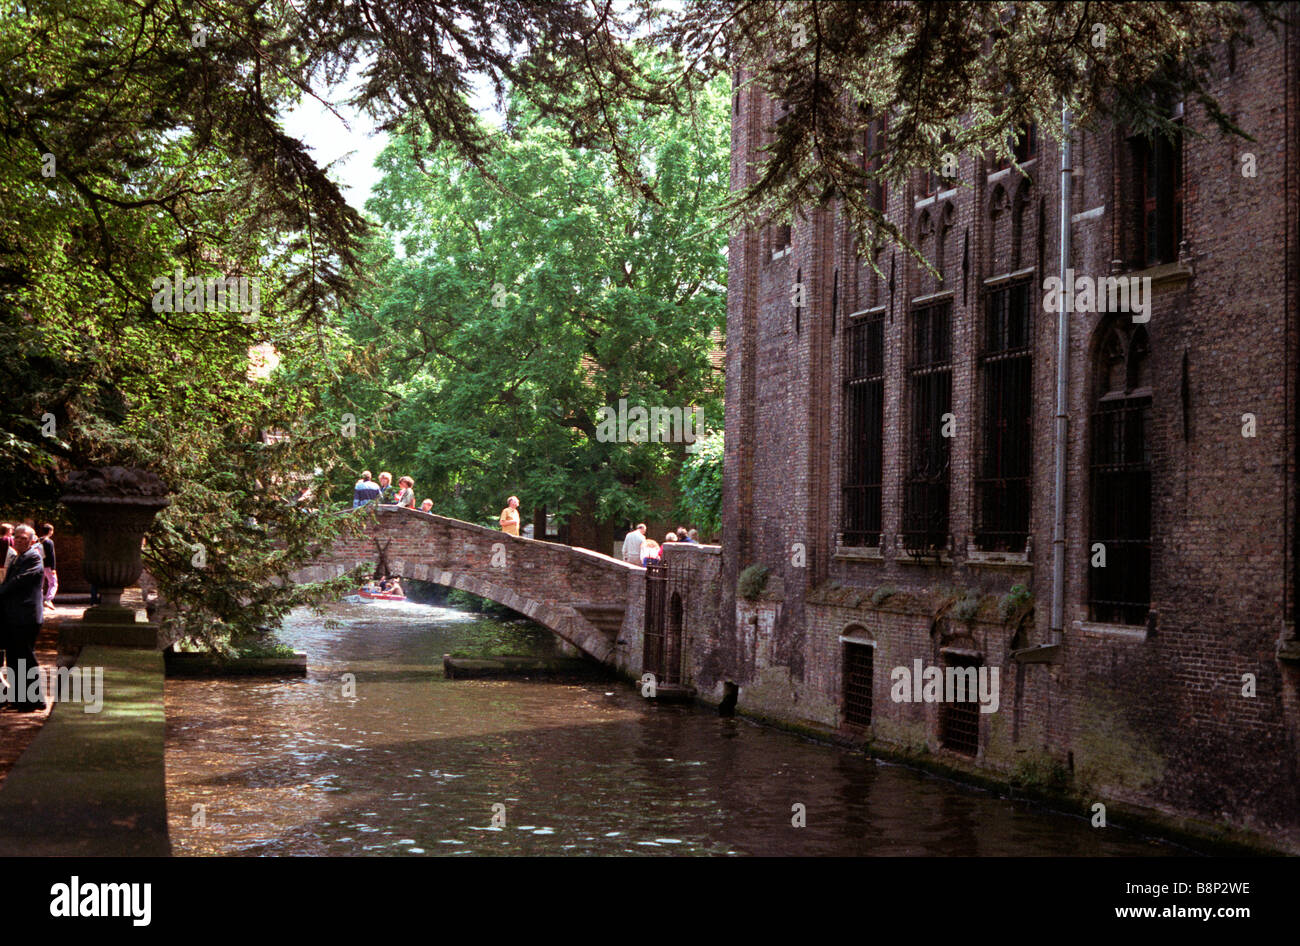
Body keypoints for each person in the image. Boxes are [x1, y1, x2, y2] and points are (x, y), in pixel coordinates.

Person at [0, 525, 46, 712]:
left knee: (26, 657)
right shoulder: (18, 557)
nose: (19, 540)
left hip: (26, 616)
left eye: (23, 538)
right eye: (17, 537)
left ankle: (34, 700)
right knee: (13, 658)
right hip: (13, 616)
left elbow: (18, 582)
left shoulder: (33, 557)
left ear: (32, 540)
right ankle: (19, 698)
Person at [36, 523, 57, 606]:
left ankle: (38, 600)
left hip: (39, 565)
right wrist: (53, 568)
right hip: (48, 566)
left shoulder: (38, 540)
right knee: (53, 583)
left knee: (40, 584)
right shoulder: (49, 541)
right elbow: (52, 555)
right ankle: (48, 600)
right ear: (50, 531)